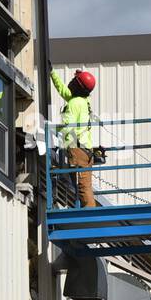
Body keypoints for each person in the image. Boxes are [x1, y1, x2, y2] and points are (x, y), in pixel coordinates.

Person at [51, 67, 99, 208]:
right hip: (86, 150)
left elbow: (68, 127)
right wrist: (52, 74)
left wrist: (51, 129)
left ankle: (91, 218)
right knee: (85, 186)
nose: (71, 82)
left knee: (82, 188)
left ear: (78, 86)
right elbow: (63, 91)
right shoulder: (81, 101)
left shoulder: (73, 103)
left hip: (77, 150)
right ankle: (90, 213)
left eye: (74, 80)